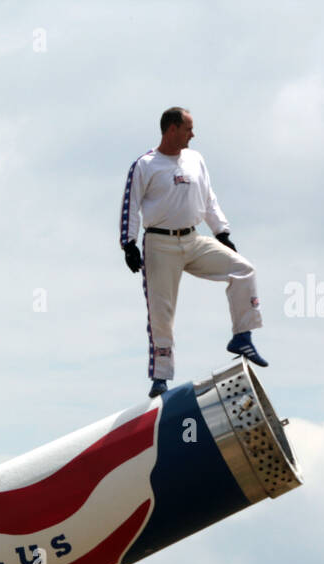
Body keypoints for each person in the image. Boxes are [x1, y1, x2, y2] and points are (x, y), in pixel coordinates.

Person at [120, 107, 267, 398]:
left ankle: (242, 336)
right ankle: (161, 378)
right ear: (171, 129)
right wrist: (129, 243)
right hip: (160, 245)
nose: (193, 134)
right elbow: (131, 204)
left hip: (193, 239)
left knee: (243, 269)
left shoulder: (196, 159)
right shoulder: (146, 164)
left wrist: (222, 232)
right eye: (188, 128)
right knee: (161, 313)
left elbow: (209, 198)